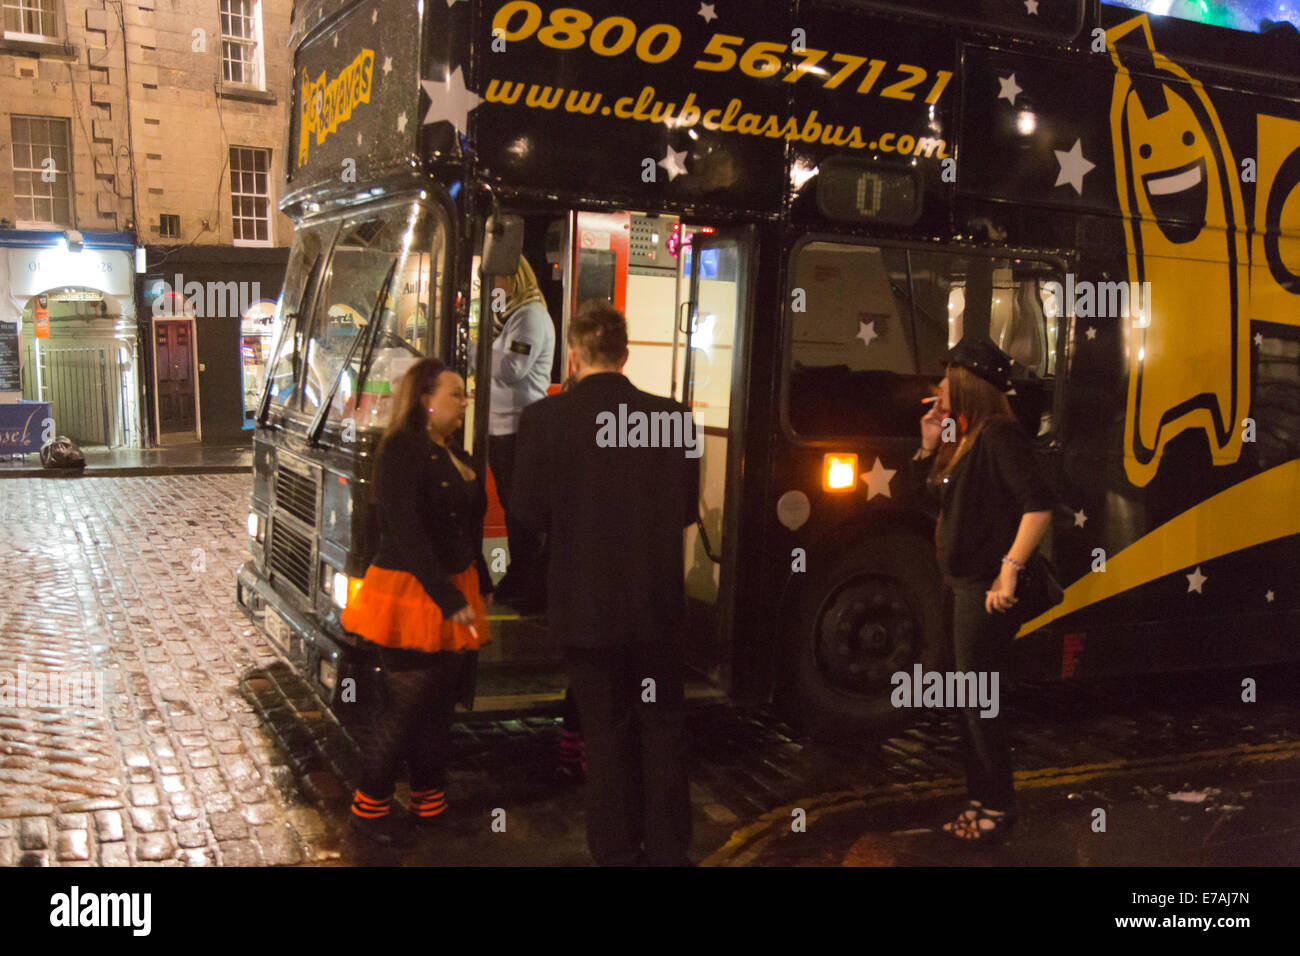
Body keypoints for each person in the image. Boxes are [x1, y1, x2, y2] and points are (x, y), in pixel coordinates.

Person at [512, 303, 700, 866]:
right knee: (662, 725)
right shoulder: (673, 419)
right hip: (656, 607)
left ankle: (616, 850)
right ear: (625, 353)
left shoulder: (546, 420)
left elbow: (528, 514)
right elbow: (686, 514)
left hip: (586, 608)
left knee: (606, 733)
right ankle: (669, 848)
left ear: (572, 355)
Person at [339, 357, 493, 845]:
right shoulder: (403, 451)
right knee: (404, 706)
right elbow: (408, 534)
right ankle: (368, 807)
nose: (464, 401)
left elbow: (463, 529)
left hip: (451, 589)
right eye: (455, 393)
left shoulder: (452, 450)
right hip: (410, 591)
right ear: (426, 400)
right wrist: (449, 597)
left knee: (438, 705)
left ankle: (429, 800)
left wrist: (481, 579)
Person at [910, 337, 1053, 845]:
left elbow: (1038, 504)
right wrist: (929, 444)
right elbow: (927, 501)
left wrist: (1009, 570)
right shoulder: (963, 436)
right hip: (957, 585)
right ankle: (980, 796)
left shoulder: (997, 436)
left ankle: (997, 804)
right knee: (964, 697)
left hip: (981, 590)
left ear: (967, 383)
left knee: (979, 698)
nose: (937, 390)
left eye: (946, 381)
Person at [487, 255, 555, 612]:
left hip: (518, 427)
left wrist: (478, 349)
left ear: (514, 279)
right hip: (502, 426)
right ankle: (521, 578)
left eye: (498, 279)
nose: (494, 288)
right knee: (514, 509)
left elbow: (513, 367)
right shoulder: (510, 318)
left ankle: (528, 583)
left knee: (523, 512)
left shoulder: (529, 317)